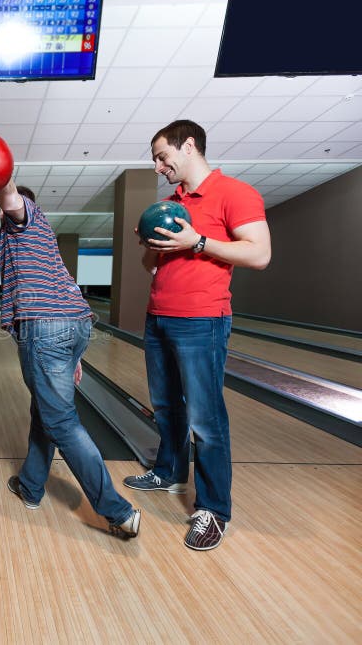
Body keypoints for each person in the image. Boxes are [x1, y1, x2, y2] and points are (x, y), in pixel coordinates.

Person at [123, 119, 271, 551]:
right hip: (158, 316)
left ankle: (213, 509)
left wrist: (198, 241)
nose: (157, 167)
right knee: (166, 406)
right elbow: (152, 267)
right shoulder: (170, 204)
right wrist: (150, 244)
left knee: (206, 419)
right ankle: (168, 472)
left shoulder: (235, 193)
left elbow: (259, 254)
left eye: (161, 157)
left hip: (202, 320)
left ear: (188, 146)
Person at [0, 182, 140, 540]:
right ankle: (31, 486)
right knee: (44, 410)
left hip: (45, 327)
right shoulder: (40, 235)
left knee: (60, 421)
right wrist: (74, 355)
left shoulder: (23, 217)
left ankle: (117, 511)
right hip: (73, 325)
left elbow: (10, 197)